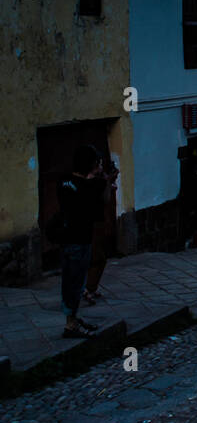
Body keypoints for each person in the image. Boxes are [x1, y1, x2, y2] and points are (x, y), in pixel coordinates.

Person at [57, 144, 107, 339]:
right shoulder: (93, 186)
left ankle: (73, 318)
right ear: (92, 164)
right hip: (81, 239)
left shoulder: (64, 181)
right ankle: (70, 324)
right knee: (76, 282)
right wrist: (103, 181)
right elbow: (100, 209)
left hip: (66, 238)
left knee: (69, 280)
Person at [83, 156, 119, 303]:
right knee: (97, 258)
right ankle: (88, 290)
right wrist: (108, 181)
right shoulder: (92, 182)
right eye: (99, 164)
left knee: (99, 258)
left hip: (97, 223)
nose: (101, 167)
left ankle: (91, 288)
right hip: (91, 224)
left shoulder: (98, 180)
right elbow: (105, 198)